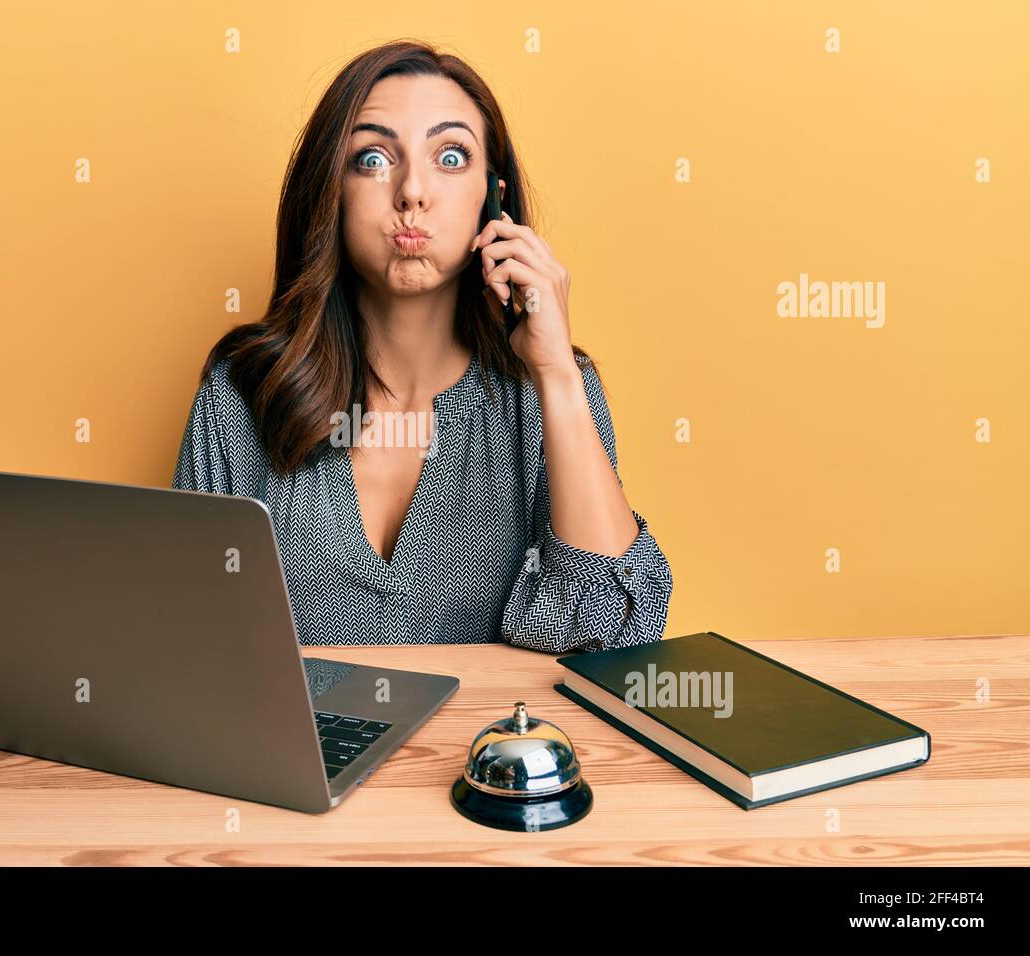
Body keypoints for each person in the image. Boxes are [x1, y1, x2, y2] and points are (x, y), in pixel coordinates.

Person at [173, 39, 672, 653]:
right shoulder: (243, 390)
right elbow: (191, 645)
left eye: (451, 156)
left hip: (480, 748)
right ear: (331, 189)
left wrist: (558, 374)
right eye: (373, 158)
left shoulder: (548, 388)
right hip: (304, 751)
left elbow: (615, 638)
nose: (412, 191)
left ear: (496, 200)